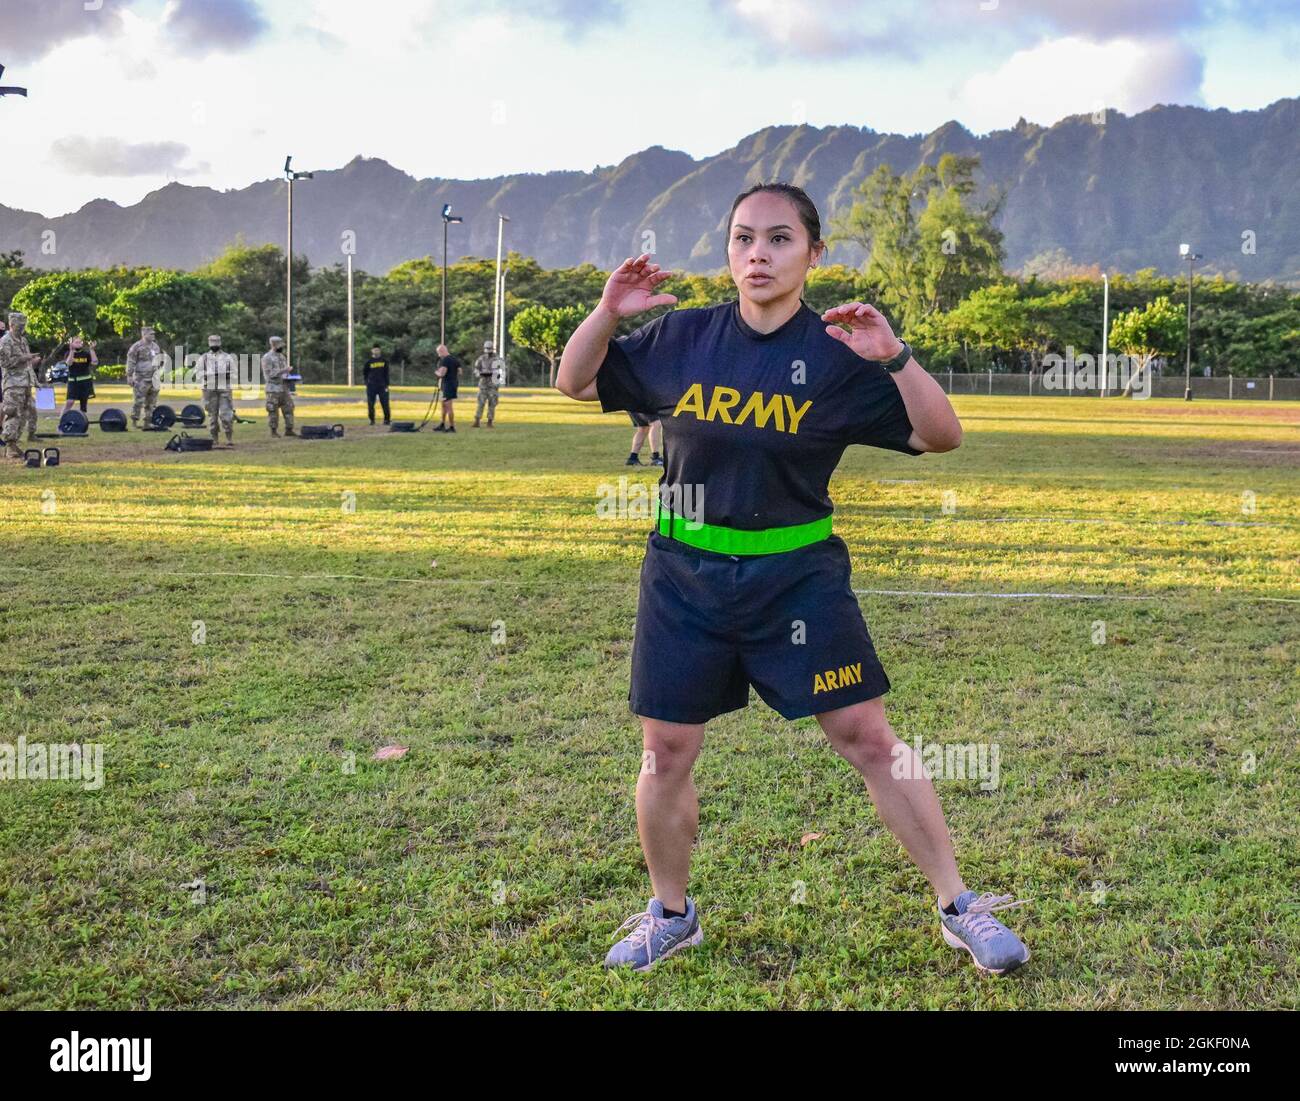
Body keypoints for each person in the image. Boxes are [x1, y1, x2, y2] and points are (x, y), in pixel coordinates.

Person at [556, 182, 1030, 976]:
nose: (758, 255)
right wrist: (608, 313)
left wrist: (895, 356)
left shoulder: (841, 351)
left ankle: (960, 905)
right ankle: (671, 914)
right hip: (684, 572)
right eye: (743, 238)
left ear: (814, 253)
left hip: (798, 575)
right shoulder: (683, 336)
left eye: (779, 239)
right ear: (728, 252)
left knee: (868, 737)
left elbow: (942, 434)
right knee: (665, 751)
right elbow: (574, 381)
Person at [1, 311, 43, 459]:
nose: (22, 328)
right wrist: (23, 358)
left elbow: (28, 365)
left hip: (25, 383)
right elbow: (4, 363)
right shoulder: (5, 341)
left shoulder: (23, 340)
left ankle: (15, 443)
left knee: (24, 414)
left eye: (23, 326)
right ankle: (10, 446)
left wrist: (35, 381)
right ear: (11, 325)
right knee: (13, 413)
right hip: (12, 384)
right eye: (19, 326)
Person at [198, 333, 235, 447]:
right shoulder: (204, 358)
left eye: (217, 343)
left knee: (226, 414)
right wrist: (208, 375)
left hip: (224, 388)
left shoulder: (227, 357)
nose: (215, 345)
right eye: (212, 343)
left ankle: (229, 438)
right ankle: (214, 439)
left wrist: (224, 375)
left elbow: (234, 373)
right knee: (212, 416)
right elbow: (198, 373)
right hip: (209, 389)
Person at [127, 325, 162, 428]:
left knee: (152, 402)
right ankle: (134, 422)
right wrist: (129, 375)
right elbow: (131, 361)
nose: (153, 335)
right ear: (144, 334)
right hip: (141, 378)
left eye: (153, 334)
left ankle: (148, 422)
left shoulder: (155, 347)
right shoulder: (136, 347)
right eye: (151, 334)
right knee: (139, 401)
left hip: (154, 378)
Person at [262, 335, 296, 437]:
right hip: (273, 389)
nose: (282, 347)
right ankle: (273, 431)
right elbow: (270, 374)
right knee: (273, 410)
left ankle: (289, 429)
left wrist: (289, 377)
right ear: (274, 345)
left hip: (283, 388)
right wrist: (284, 371)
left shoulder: (282, 357)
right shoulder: (267, 358)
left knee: (289, 408)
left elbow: (284, 373)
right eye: (280, 346)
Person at [471, 340, 501, 428]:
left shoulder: (497, 359)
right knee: (480, 402)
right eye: (487, 349)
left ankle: (490, 421)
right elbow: (476, 368)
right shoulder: (481, 358)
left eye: (489, 349)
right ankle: (477, 420)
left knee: (492, 403)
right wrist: (478, 373)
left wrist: (493, 373)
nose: (488, 352)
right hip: (483, 384)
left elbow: (499, 371)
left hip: (493, 385)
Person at [63, 336, 97, 414]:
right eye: (76, 342)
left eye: (80, 342)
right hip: (73, 382)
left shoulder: (86, 354)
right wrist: (72, 351)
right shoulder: (68, 353)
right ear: (72, 344)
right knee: (70, 401)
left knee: (83, 404)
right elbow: (69, 363)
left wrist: (92, 350)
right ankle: (62, 418)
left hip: (85, 382)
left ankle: (82, 420)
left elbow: (95, 362)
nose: (79, 344)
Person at [432, 343, 460, 433]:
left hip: (448, 385)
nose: (438, 355)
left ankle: (452, 427)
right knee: (443, 405)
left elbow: (442, 374)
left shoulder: (445, 360)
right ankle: (442, 424)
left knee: (448, 406)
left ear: (442, 351)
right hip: (452, 384)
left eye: (438, 353)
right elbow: (460, 371)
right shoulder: (455, 359)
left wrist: (436, 372)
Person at [363, 345, 391, 426]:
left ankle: (387, 420)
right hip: (371, 386)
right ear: (372, 351)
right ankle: (372, 420)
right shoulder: (369, 362)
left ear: (380, 351)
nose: (376, 351)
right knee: (371, 404)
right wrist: (367, 382)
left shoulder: (384, 361)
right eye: (375, 350)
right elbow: (365, 373)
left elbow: (386, 373)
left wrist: (387, 385)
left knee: (385, 403)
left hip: (382, 385)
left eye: (377, 350)